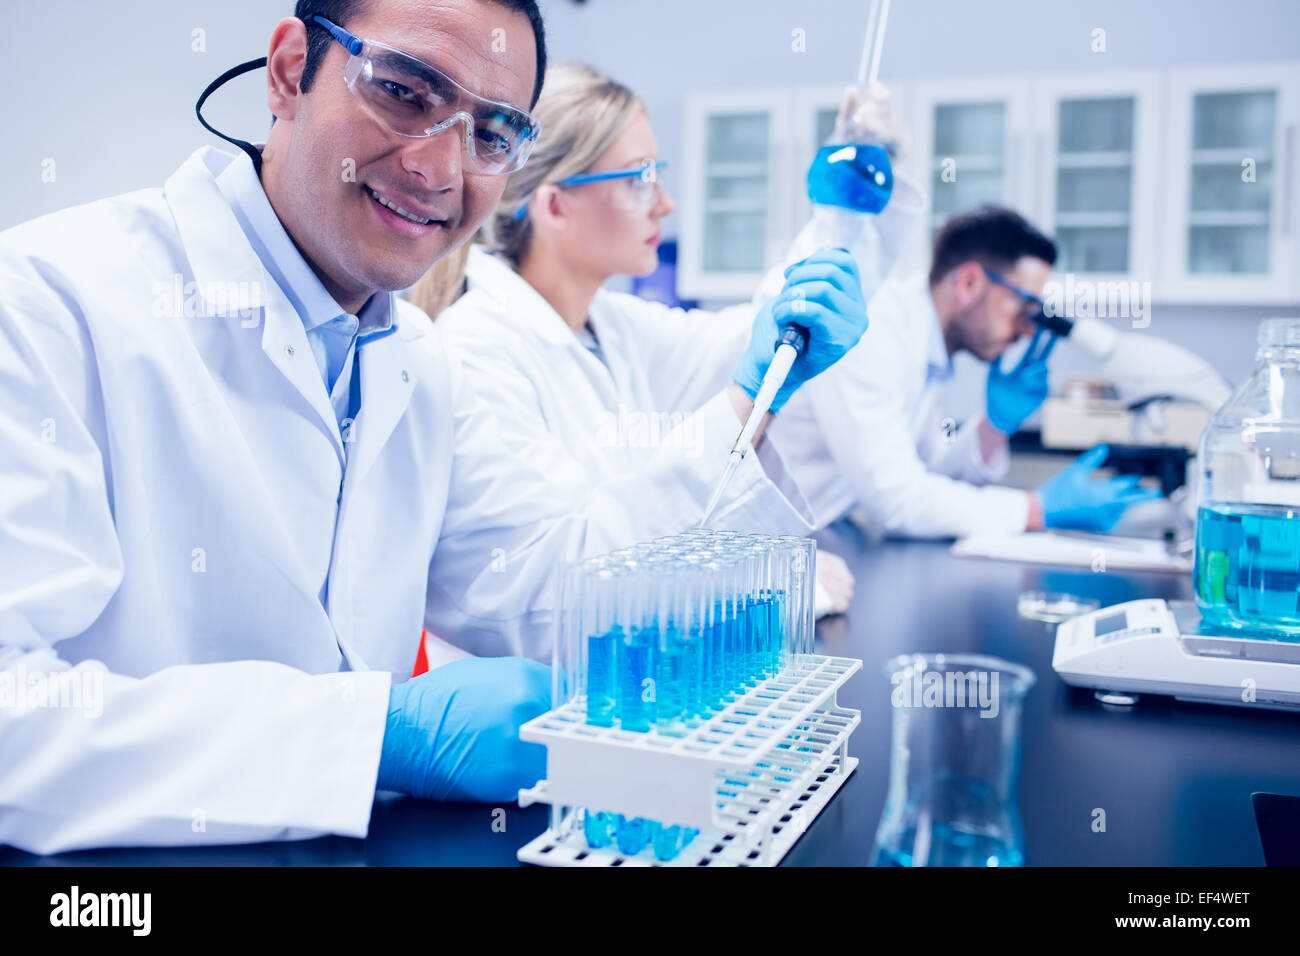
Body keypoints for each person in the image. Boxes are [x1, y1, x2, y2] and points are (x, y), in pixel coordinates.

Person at [0, 0, 870, 855]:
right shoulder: (49, 303)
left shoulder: (413, 357)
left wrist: (766, 387)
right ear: (290, 71)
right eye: (406, 91)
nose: (439, 167)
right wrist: (374, 737)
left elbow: (540, 591)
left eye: (491, 132)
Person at [410, 66, 924, 638]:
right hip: (537, 704)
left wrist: (846, 207)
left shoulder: (613, 329)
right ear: (555, 207)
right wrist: (765, 588)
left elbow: (780, 318)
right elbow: (553, 595)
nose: (666, 204)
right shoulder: (477, 350)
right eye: (641, 179)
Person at [769, 205, 1162, 538]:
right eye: (1023, 307)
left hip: (819, 534)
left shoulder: (930, 349)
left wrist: (994, 427)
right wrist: (1036, 509)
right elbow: (898, 501)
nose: (1029, 329)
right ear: (970, 282)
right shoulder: (874, 328)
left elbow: (927, 471)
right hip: (765, 543)